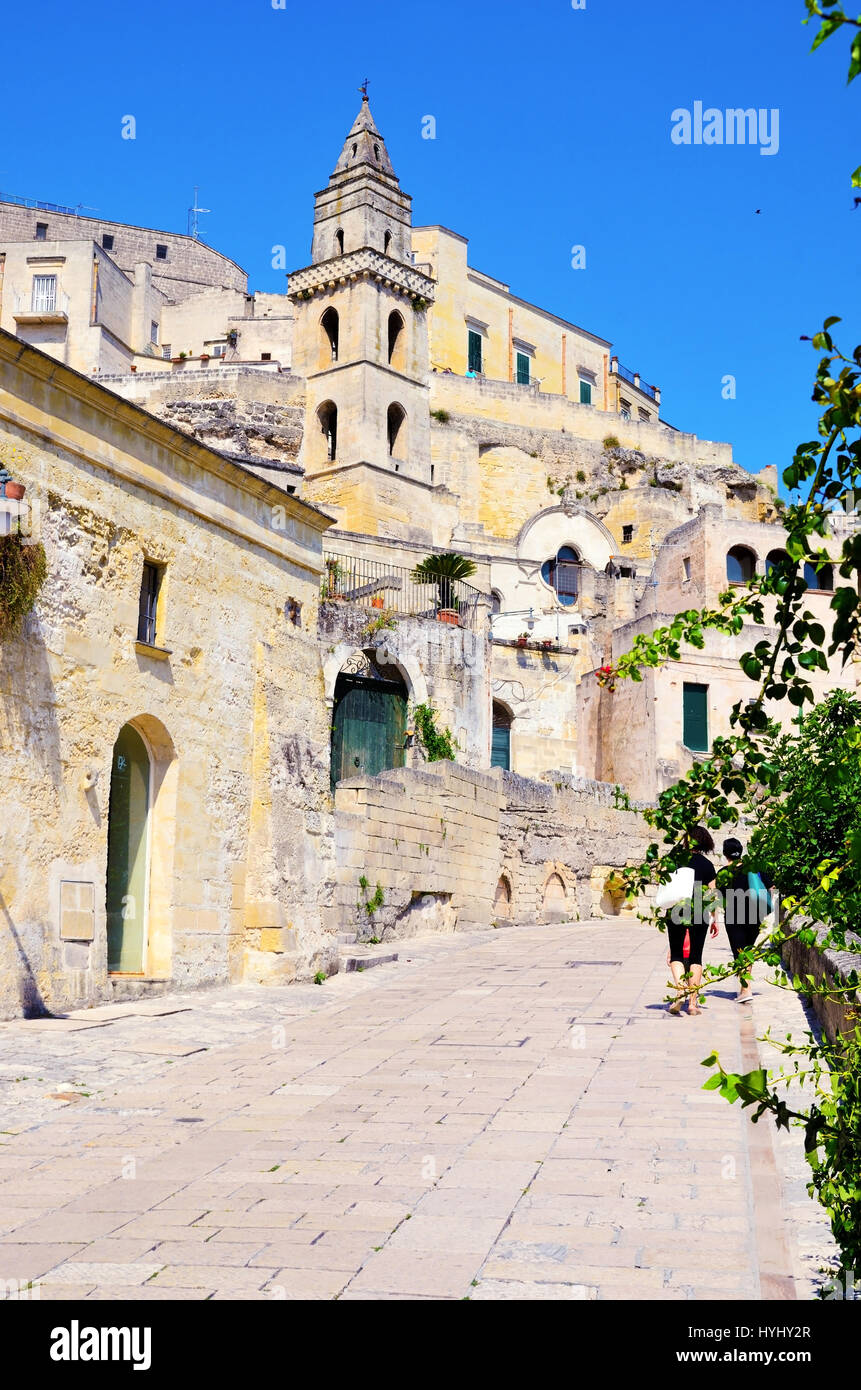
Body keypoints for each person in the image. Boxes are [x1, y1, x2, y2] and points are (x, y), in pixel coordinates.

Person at [665, 825, 719, 1016]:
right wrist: (715, 920)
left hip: (677, 910)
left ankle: (680, 993)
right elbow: (713, 895)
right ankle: (693, 1004)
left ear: (687, 840)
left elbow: (665, 884)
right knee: (696, 956)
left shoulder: (675, 861)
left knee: (677, 954)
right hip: (700, 913)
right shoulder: (707, 865)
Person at [718, 838, 773, 1002]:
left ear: (725, 853)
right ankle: (745, 988)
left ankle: (746, 990)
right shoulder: (754, 869)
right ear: (741, 851)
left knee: (739, 953)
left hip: (734, 916)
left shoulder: (723, 873)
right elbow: (771, 888)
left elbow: (720, 897)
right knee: (747, 951)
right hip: (755, 915)